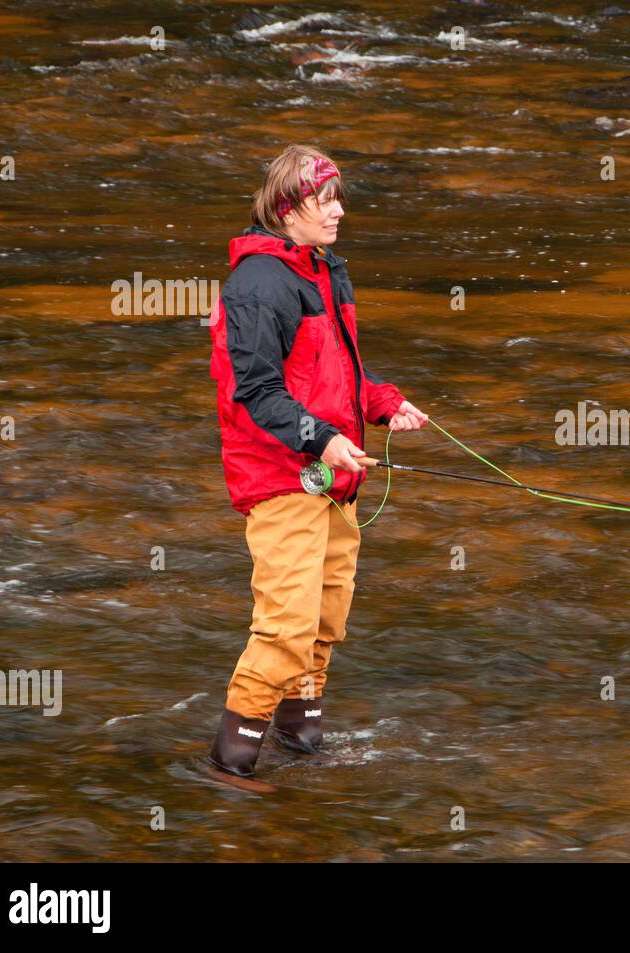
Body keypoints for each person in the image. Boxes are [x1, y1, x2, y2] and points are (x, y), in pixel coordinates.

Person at [205, 144, 427, 778]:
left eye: (338, 199)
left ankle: (301, 749)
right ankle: (229, 770)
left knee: (325, 622)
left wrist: (385, 403)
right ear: (285, 209)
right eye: (323, 200)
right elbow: (255, 392)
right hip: (281, 478)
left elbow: (341, 374)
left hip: (335, 478)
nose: (337, 212)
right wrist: (321, 437)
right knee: (284, 630)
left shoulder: (326, 271)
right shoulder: (257, 284)